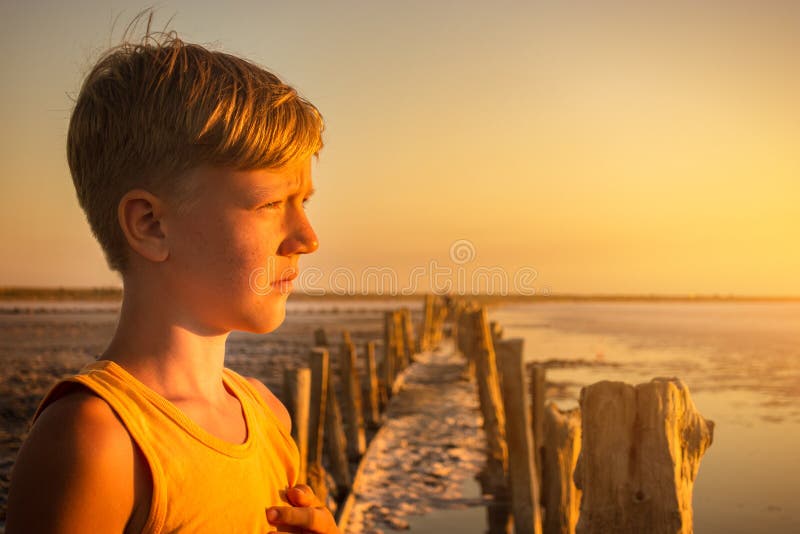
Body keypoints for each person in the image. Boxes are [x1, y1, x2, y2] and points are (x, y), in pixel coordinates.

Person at [6, 23, 339, 534]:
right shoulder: (98, 442)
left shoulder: (268, 418)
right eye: (271, 203)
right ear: (151, 225)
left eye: (304, 203)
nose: (307, 236)